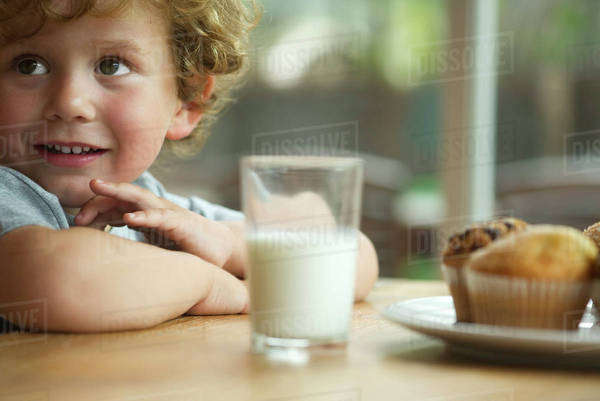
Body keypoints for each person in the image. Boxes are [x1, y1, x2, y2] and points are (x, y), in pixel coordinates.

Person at [0, 0, 379, 333]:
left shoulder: (155, 209)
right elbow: (57, 277)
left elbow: (348, 256)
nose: (70, 102)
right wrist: (213, 285)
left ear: (187, 102)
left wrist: (226, 243)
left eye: (111, 65)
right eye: (29, 65)